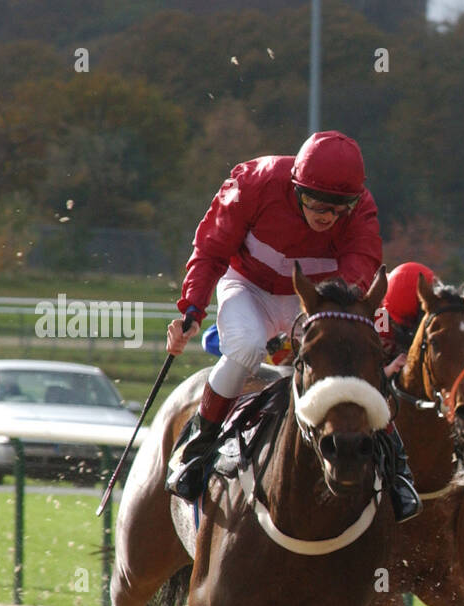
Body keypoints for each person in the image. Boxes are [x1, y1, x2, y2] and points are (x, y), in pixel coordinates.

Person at [163, 130, 418, 519]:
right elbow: (211, 249)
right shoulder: (254, 181)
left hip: (315, 298)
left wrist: (336, 319)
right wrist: (192, 308)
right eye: (317, 203)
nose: (327, 216)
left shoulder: (362, 209)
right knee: (247, 347)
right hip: (248, 288)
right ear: (296, 186)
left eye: (339, 208)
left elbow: (360, 269)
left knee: (348, 357)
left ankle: (396, 467)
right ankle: (197, 448)